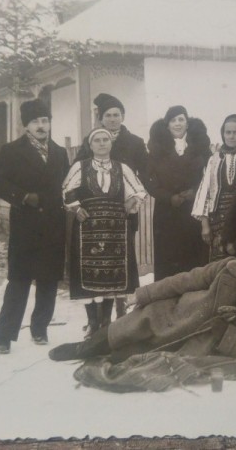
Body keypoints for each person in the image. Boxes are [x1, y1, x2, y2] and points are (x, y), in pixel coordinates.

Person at [48, 237, 236, 375]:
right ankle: (84, 347)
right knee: (132, 325)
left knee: (135, 359)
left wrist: (228, 334)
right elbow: (185, 280)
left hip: (199, 346)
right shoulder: (232, 267)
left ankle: (104, 355)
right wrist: (144, 294)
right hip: (179, 314)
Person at [0, 99, 71, 354]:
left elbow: (68, 185)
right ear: (26, 125)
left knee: (48, 281)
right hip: (26, 225)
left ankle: (40, 329)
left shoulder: (59, 152)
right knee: (19, 280)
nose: (41, 126)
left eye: (45, 120)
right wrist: (24, 197)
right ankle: (3, 336)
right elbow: (0, 184)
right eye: (36, 121)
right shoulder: (11, 150)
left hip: (53, 225)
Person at [62, 127, 148, 339]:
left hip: (115, 229)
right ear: (90, 145)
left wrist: (131, 201)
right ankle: (92, 322)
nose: (102, 143)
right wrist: (76, 208)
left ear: (111, 144)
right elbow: (66, 189)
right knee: (88, 273)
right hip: (88, 229)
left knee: (113, 275)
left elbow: (140, 190)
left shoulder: (122, 168)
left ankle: (106, 322)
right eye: (97, 140)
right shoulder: (80, 167)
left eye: (105, 140)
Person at [75, 93, 150, 320]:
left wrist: (133, 201)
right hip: (95, 216)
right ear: (101, 118)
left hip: (124, 212)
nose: (113, 119)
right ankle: (96, 320)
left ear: (123, 116)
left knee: (123, 262)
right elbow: (77, 172)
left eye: (117, 114)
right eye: (108, 115)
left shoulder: (135, 142)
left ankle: (122, 316)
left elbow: (145, 176)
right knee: (96, 264)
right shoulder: (92, 140)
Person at [147, 105, 211, 280]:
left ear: (187, 123)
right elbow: (149, 181)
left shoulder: (200, 146)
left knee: (193, 260)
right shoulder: (156, 149)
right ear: (167, 125)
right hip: (166, 212)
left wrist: (195, 192)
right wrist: (169, 197)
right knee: (168, 258)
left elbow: (211, 176)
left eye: (181, 119)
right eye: (173, 120)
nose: (177, 123)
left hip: (193, 211)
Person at [191, 114, 236, 261]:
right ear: (223, 134)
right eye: (228, 132)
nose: (231, 136)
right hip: (217, 217)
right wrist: (205, 224)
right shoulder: (214, 158)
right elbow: (205, 190)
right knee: (219, 260)